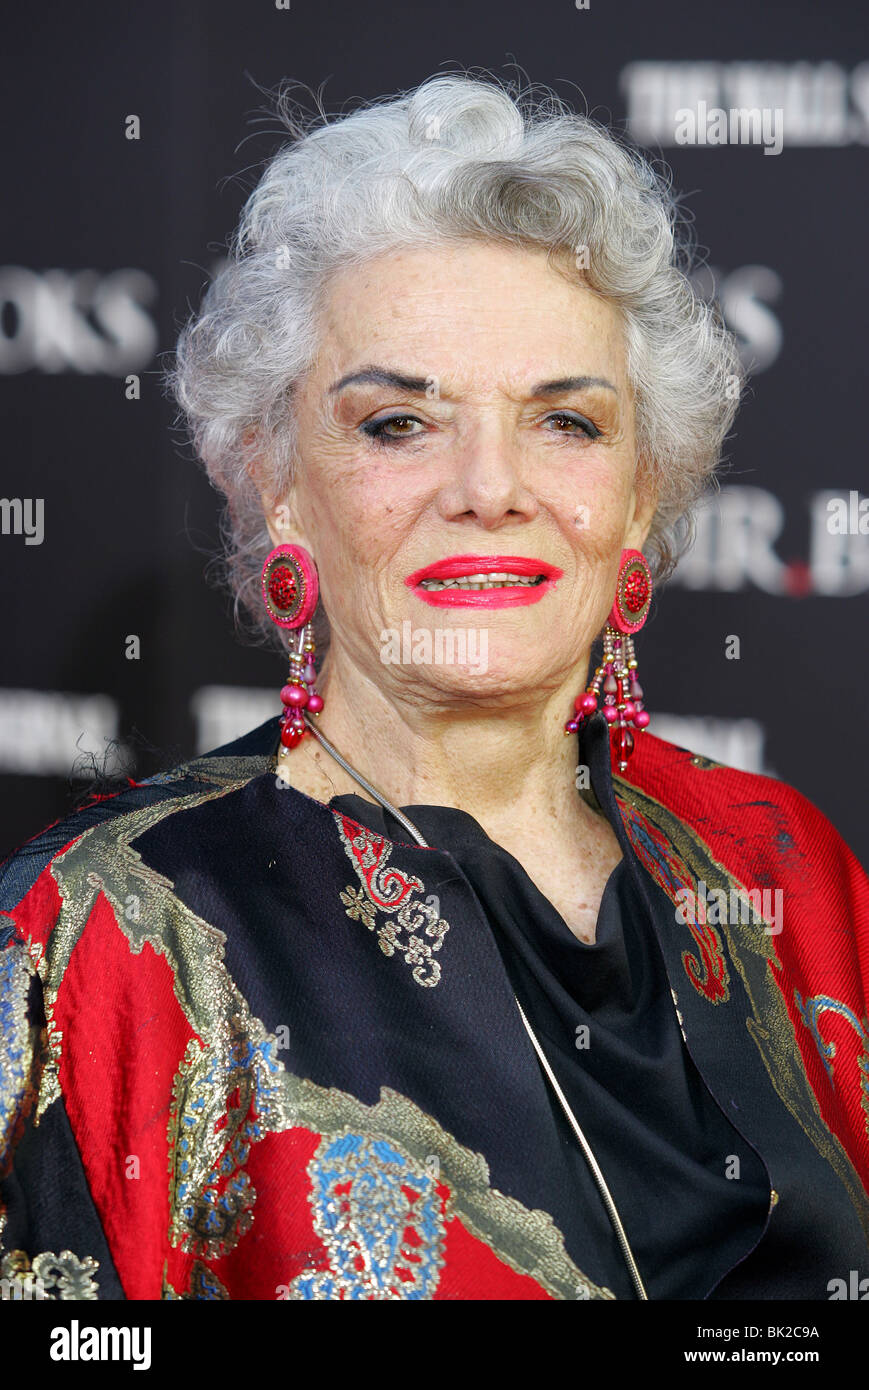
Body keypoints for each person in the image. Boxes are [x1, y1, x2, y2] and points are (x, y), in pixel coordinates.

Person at [1, 73, 866, 1303]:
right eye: (398, 423)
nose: (488, 487)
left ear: (639, 496)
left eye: (564, 422)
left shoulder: (780, 865)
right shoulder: (100, 935)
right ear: (275, 481)